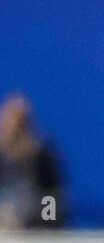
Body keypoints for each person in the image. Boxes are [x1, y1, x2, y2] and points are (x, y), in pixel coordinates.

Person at [0, 92, 63, 229]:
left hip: (33, 230)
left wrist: (47, 224)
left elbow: (51, 196)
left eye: (18, 122)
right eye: (7, 120)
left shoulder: (41, 156)